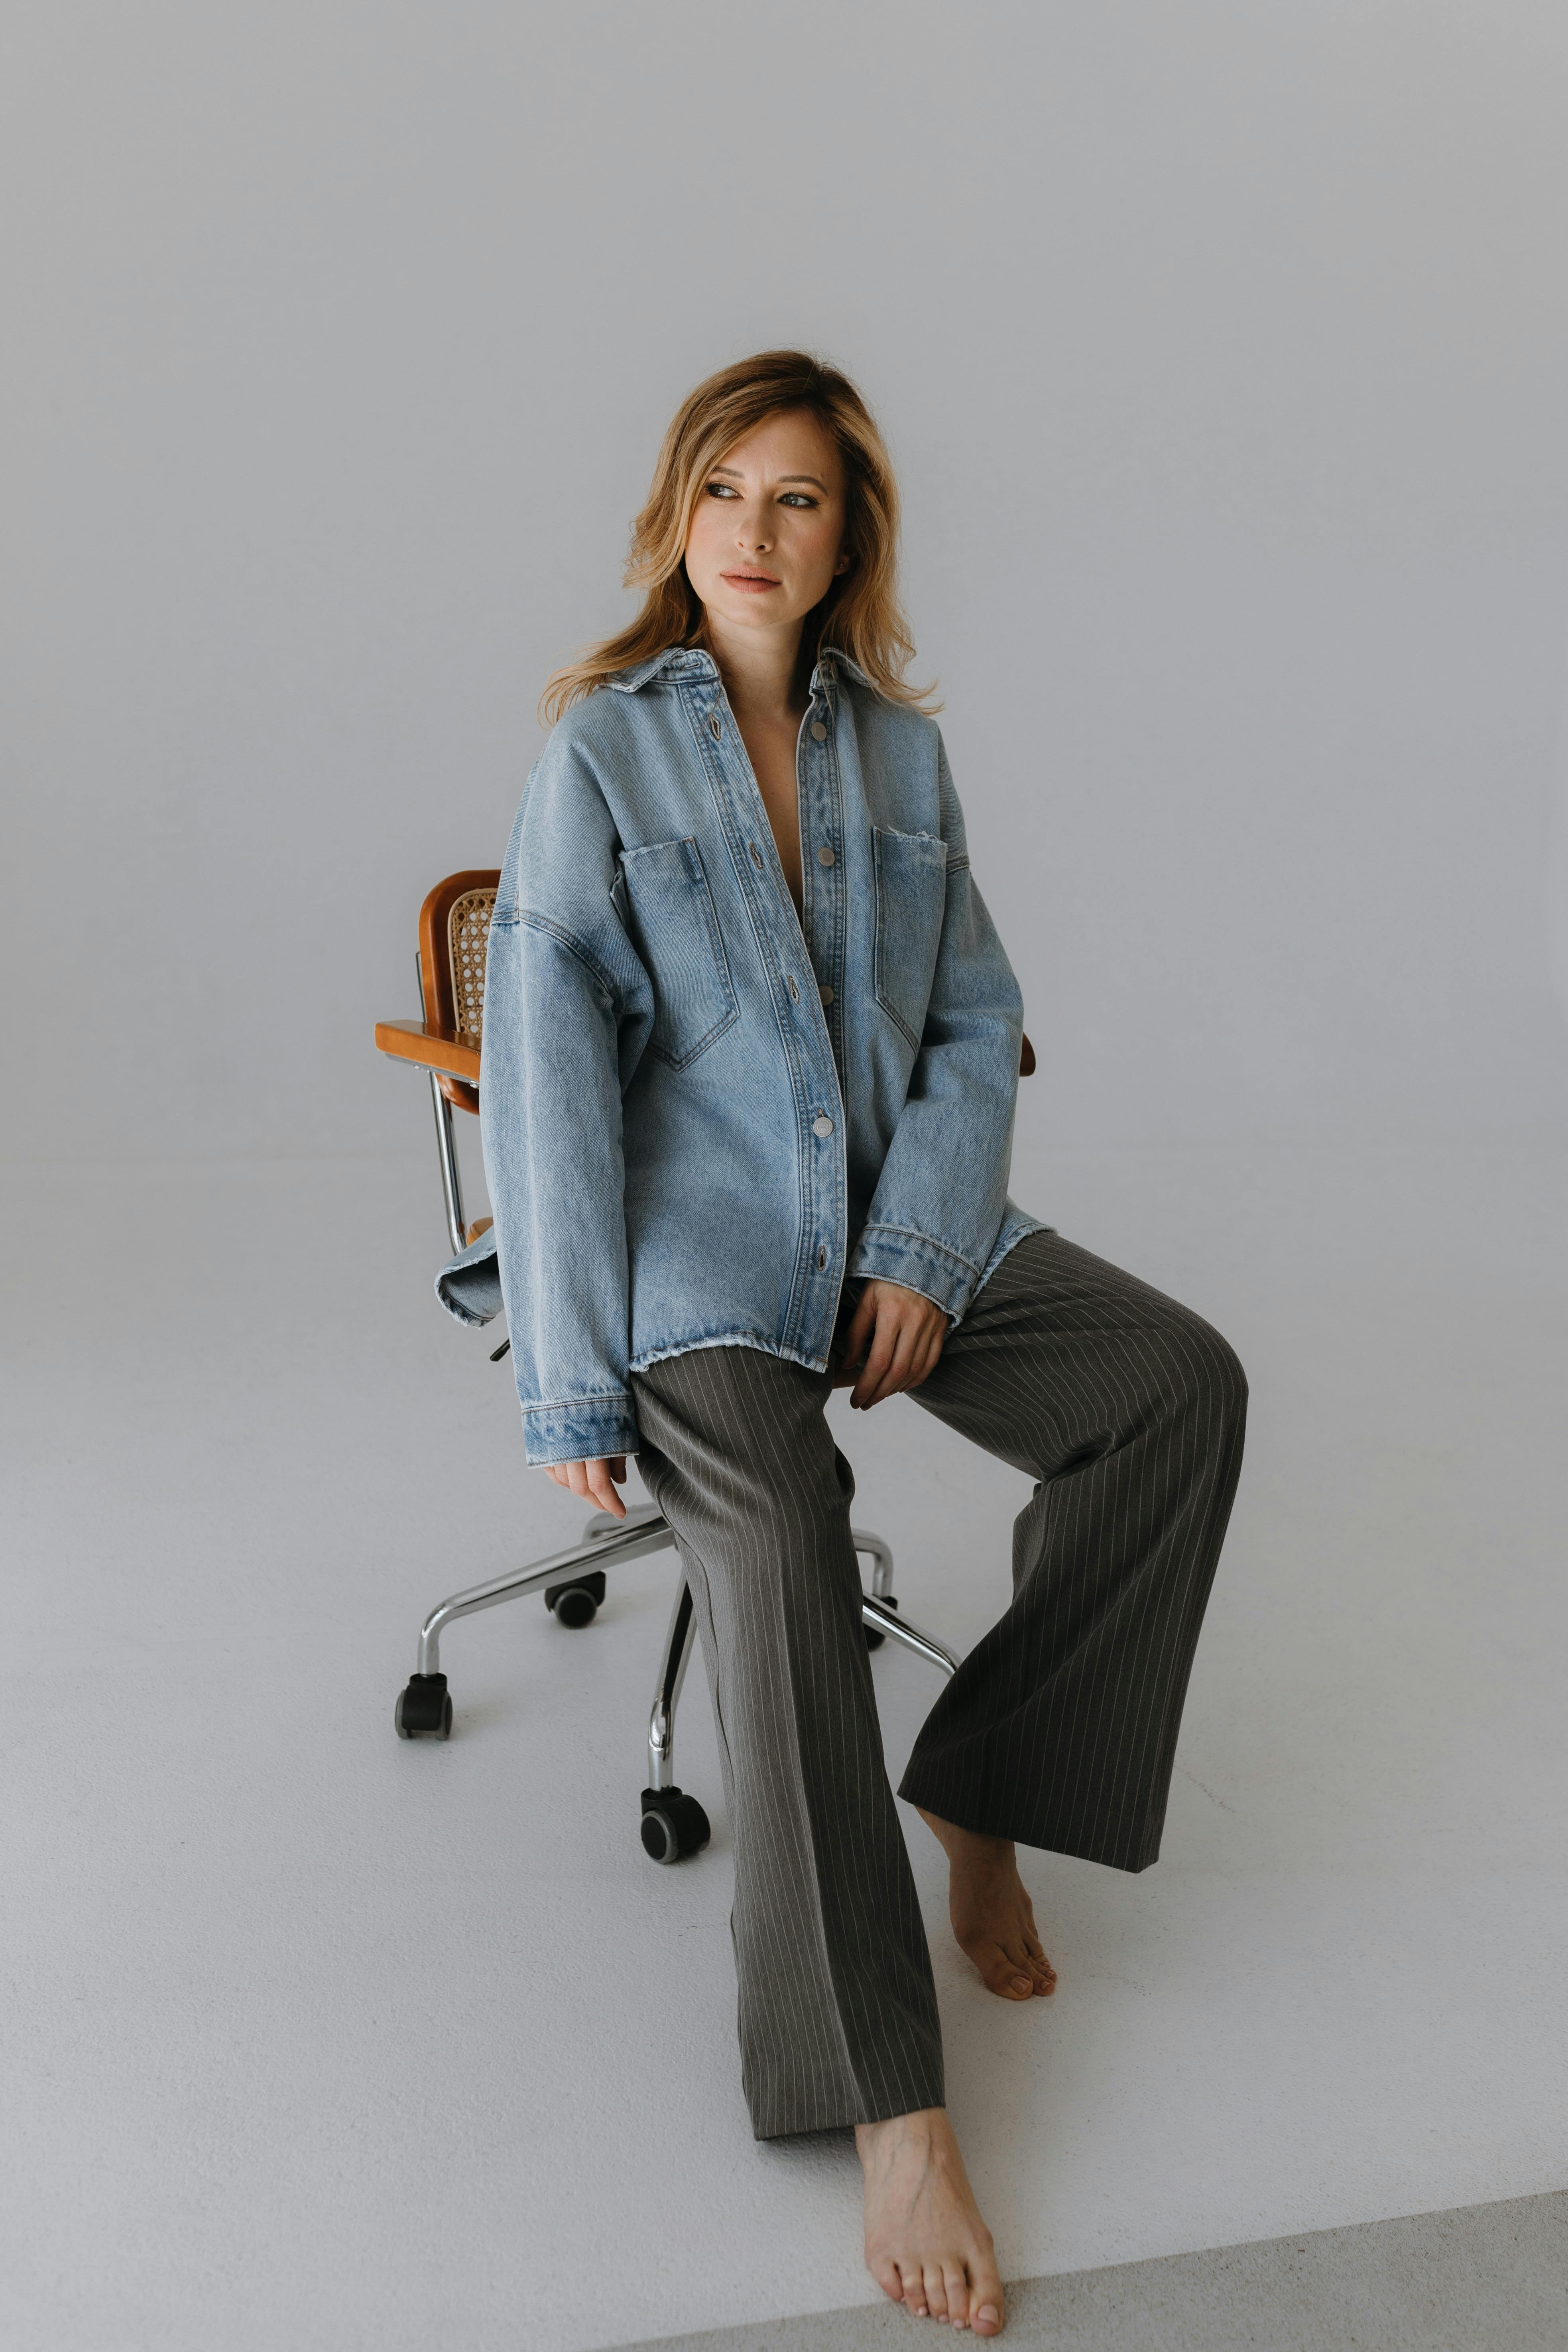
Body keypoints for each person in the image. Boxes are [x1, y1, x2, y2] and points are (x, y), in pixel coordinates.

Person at [441, 351, 1247, 2335]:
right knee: (787, 1542)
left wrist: (923, 1240)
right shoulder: (600, 754)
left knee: (1171, 1388)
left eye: (797, 496)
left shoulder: (901, 753)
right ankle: (888, 2100)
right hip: (690, 1264)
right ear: (676, 512)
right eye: (725, 485)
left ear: (846, 536)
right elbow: (541, 1082)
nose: (754, 524)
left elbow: (976, 1017)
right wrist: (563, 1375)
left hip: (894, 1228)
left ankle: (982, 1781)